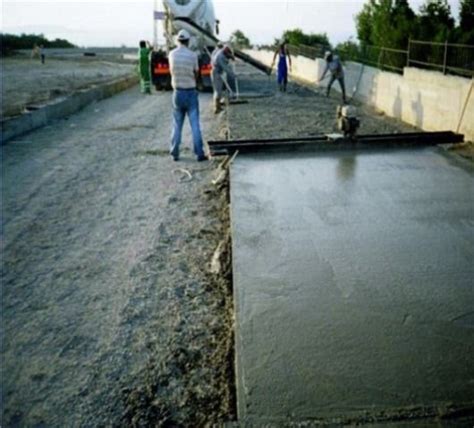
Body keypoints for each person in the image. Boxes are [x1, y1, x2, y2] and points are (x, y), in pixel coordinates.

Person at [168, 29, 207, 162]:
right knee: (195, 124)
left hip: (177, 93)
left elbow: (171, 71)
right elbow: (196, 72)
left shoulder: (171, 54)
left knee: (177, 125)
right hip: (190, 92)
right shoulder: (193, 55)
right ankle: (199, 153)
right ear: (188, 41)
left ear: (178, 40)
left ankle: (174, 152)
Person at [211, 45, 236, 114]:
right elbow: (225, 68)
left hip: (218, 72)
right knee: (218, 90)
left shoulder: (221, 53)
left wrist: (231, 57)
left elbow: (226, 60)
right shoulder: (220, 57)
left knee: (219, 89)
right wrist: (233, 75)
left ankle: (218, 106)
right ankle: (216, 108)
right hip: (216, 72)